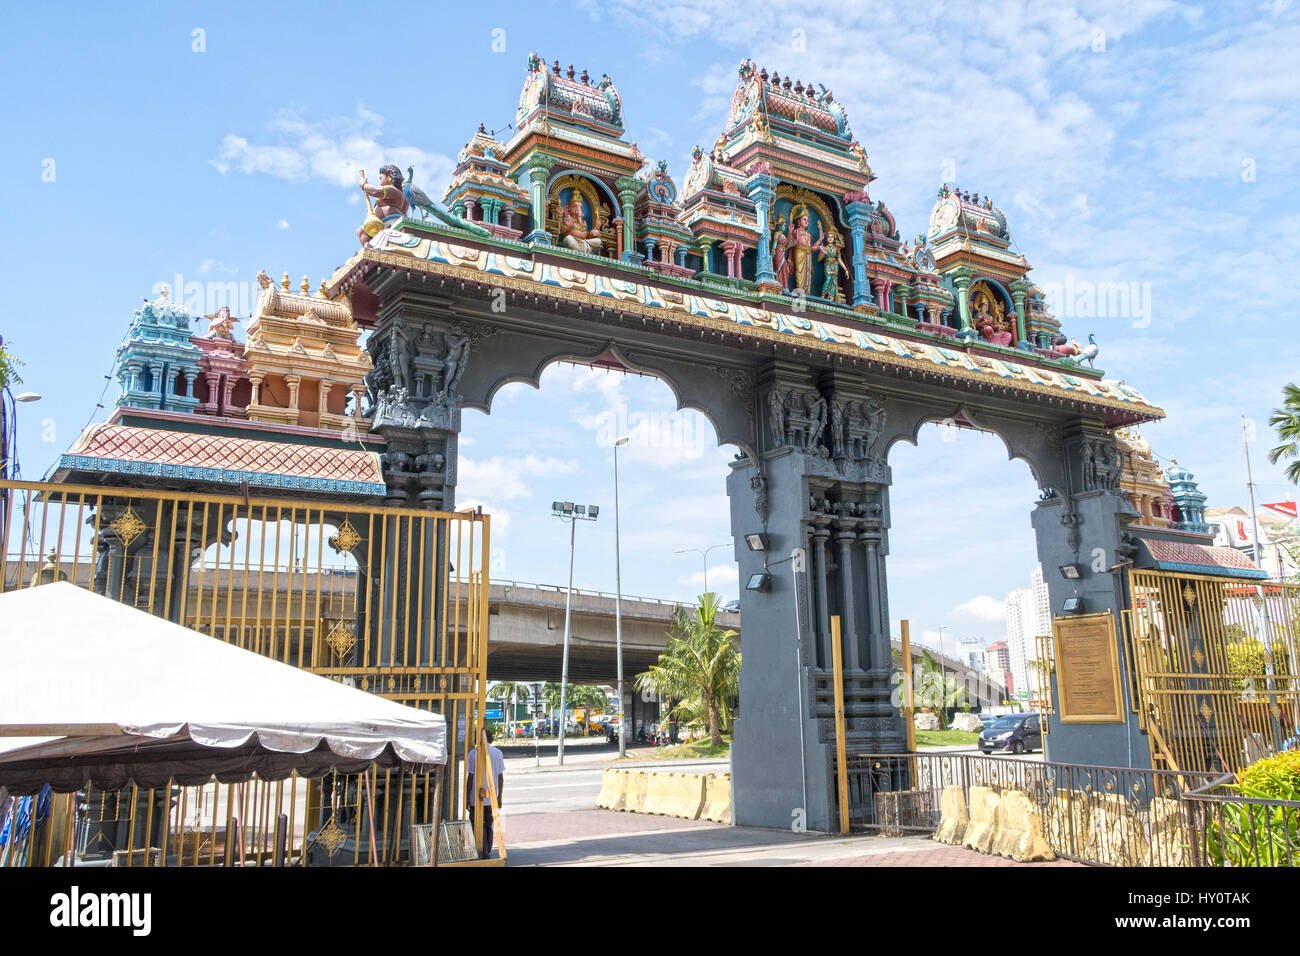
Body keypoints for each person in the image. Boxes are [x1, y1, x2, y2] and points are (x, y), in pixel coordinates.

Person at [464, 728, 505, 859]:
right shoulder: (497, 753)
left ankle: (482, 851)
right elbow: (500, 777)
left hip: (475, 797)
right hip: (492, 796)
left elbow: (470, 778)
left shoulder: (472, 754)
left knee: (477, 825)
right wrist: (499, 797)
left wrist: (466, 798)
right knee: (489, 825)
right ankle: (487, 850)